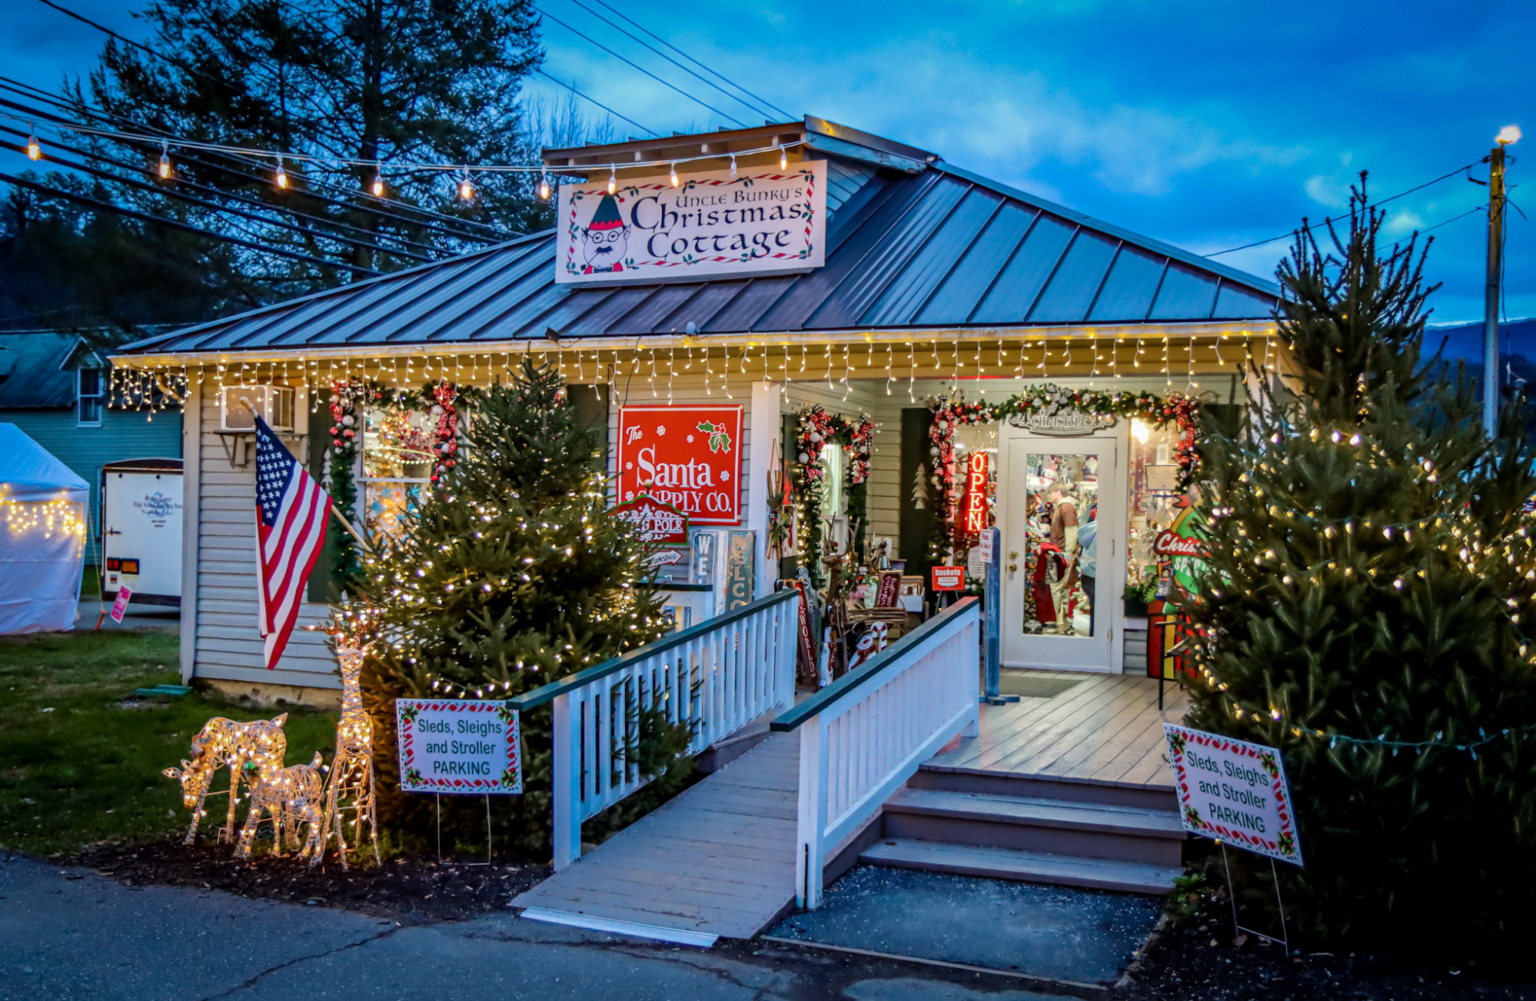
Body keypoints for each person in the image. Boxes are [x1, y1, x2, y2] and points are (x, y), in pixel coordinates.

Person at [1044, 482, 1077, 633]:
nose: (1049, 495)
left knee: (1055, 586)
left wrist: (1068, 553)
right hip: (1059, 551)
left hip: (1061, 552)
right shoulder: (1063, 507)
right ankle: (1061, 620)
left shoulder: (1066, 508)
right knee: (1059, 587)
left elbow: (1071, 530)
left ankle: (1054, 620)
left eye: (1050, 492)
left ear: (1058, 492)